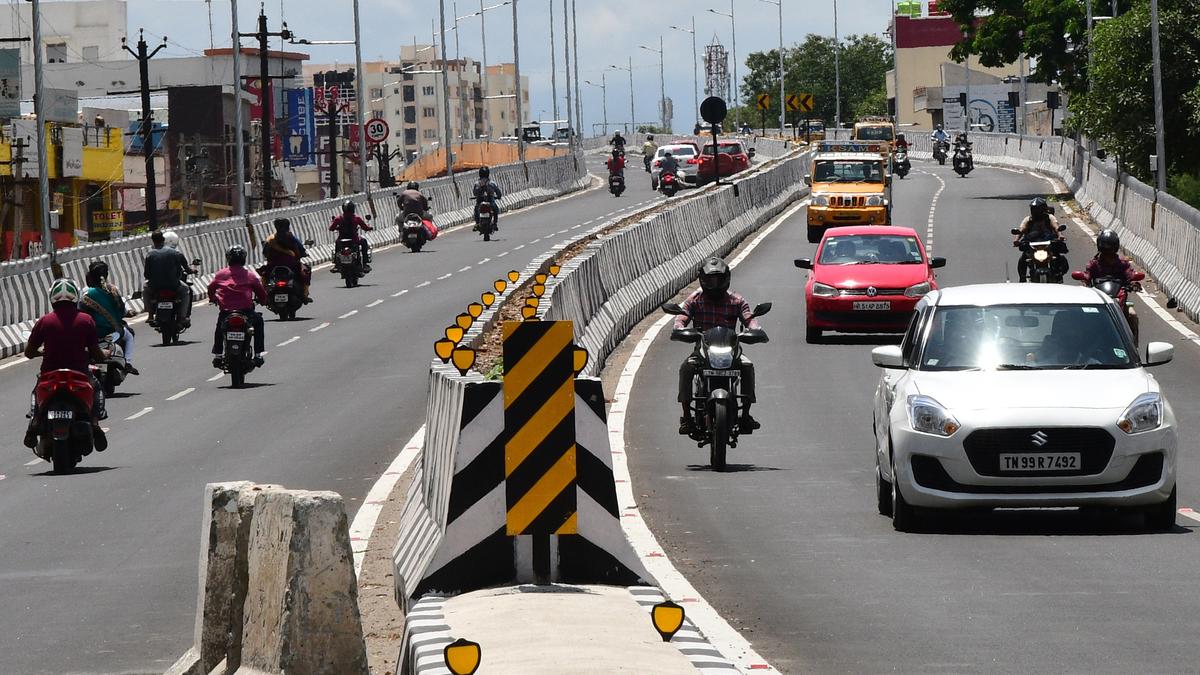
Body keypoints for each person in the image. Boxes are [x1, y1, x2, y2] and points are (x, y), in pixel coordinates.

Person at [675, 258, 760, 435]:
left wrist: (755, 329)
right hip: (703, 351)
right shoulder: (695, 299)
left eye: (718, 280)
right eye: (710, 280)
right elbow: (681, 317)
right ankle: (687, 416)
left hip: (731, 351)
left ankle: (745, 414)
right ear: (703, 280)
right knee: (686, 368)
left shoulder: (736, 300)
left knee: (747, 366)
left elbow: (749, 318)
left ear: (726, 279)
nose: (714, 284)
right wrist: (680, 329)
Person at [23, 279, 107, 451]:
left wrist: (42, 352)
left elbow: (28, 353)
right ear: (75, 296)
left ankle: (34, 422)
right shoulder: (86, 320)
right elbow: (97, 353)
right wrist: (105, 354)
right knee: (97, 387)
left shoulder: (44, 321)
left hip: (50, 374)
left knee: (36, 390)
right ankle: (95, 423)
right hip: (79, 374)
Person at [208, 245, 267, 369]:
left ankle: (218, 355)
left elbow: (211, 288)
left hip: (226, 312)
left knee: (220, 329)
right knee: (259, 322)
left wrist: (213, 298)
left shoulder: (221, 274)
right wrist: (263, 300)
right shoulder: (250, 275)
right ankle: (258, 354)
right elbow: (261, 291)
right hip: (246, 312)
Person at [1080, 229, 1141, 341]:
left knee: (1132, 315)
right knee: (1082, 315)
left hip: (1119, 298)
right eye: (1105, 249)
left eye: (1110, 249)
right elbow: (1086, 276)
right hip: (1098, 299)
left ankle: (1134, 345)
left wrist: (1134, 284)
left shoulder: (1123, 264)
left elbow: (1130, 275)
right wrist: (1084, 284)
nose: (1108, 253)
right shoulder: (1094, 264)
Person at [81, 261, 138, 375]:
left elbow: (80, 312)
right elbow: (121, 310)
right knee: (129, 335)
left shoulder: (85, 293)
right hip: (113, 332)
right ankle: (127, 363)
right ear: (106, 275)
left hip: (92, 334)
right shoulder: (113, 290)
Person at [143, 229, 196, 326]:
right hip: (173, 285)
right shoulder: (175, 253)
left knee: (145, 290)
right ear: (163, 239)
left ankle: (150, 315)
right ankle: (183, 317)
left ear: (153, 241)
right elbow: (185, 269)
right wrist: (192, 271)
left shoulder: (150, 255)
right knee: (186, 291)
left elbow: (146, 274)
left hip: (155, 286)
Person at [1015, 197, 1068, 282]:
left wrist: (1060, 235)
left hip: (1048, 244)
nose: (1036, 211)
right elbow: (1021, 229)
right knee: (1023, 259)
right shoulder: (1028, 219)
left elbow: (1056, 227)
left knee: (1058, 256)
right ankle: (1022, 278)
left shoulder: (1050, 218)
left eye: (1038, 209)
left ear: (1044, 209)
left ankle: (1058, 274)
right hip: (1032, 245)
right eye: (1034, 209)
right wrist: (1016, 240)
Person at [262, 217, 312, 303]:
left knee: (264, 274)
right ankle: (304, 294)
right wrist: (302, 254)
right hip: (292, 265)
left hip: (273, 266)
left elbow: (265, 252)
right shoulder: (291, 237)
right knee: (306, 271)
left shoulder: (271, 239)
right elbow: (301, 249)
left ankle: (264, 295)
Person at [329, 200, 373, 272]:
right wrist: (369, 228)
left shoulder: (338, 218)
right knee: (364, 242)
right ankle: (365, 263)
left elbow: (331, 228)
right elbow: (365, 227)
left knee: (337, 245)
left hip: (342, 240)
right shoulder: (356, 218)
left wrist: (336, 228)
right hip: (354, 239)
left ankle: (336, 264)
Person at [473, 166, 503, 231]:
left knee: (476, 210)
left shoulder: (477, 183)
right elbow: (498, 191)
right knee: (495, 209)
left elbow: (474, 193)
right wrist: (499, 196)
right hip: (490, 201)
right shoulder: (492, 183)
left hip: (480, 201)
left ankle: (477, 224)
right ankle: (495, 223)